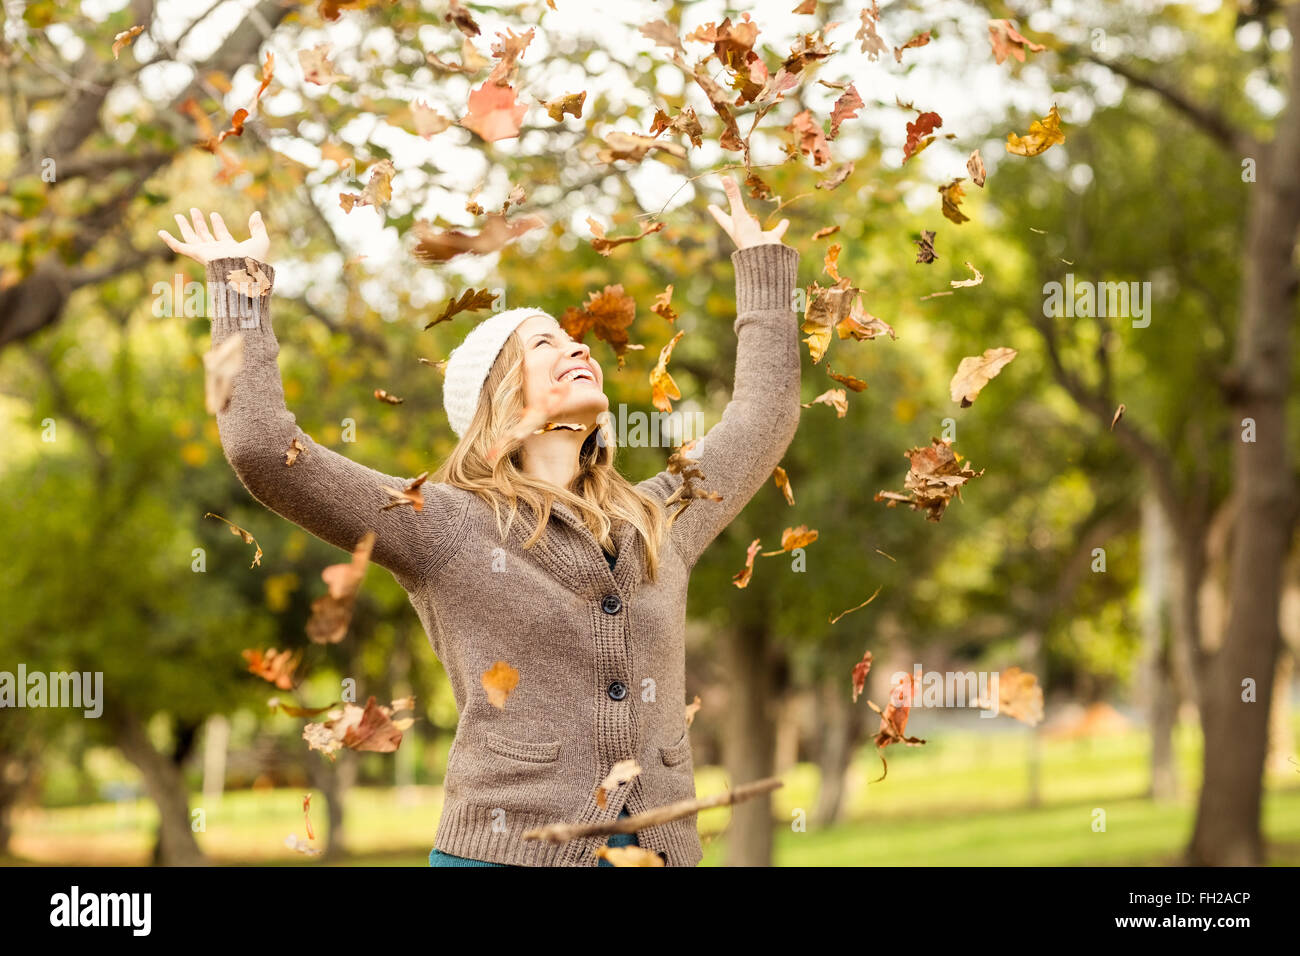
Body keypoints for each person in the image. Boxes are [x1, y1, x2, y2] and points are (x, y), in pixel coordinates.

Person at [157, 173, 801, 866]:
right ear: (498, 396)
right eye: (545, 345)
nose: (579, 349)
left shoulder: (658, 518)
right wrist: (240, 288)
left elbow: (762, 419)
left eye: (575, 341)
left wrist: (763, 273)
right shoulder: (445, 525)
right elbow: (264, 449)